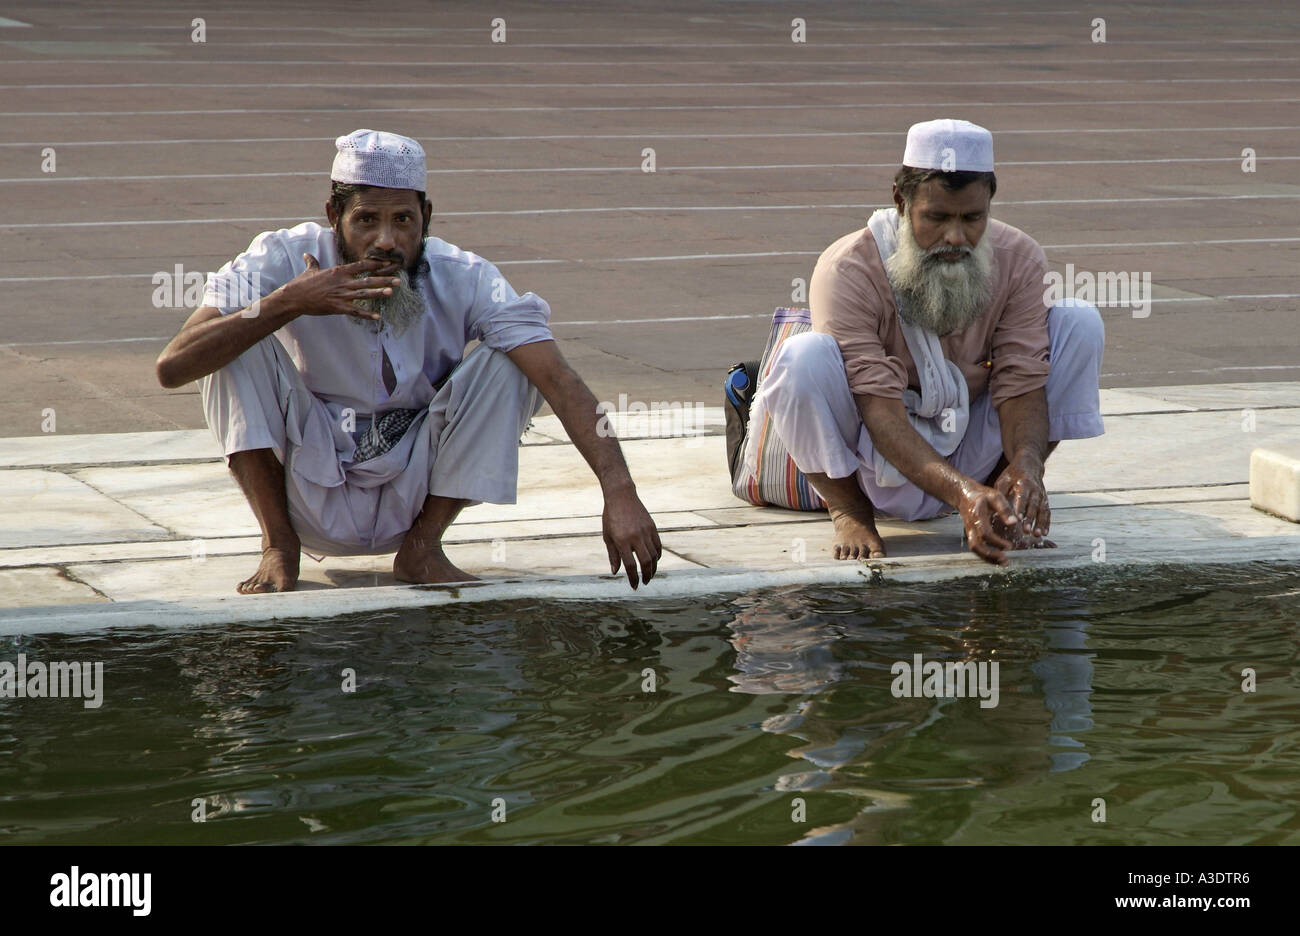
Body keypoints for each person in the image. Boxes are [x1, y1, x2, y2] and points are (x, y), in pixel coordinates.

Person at [155, 129, 661, 594]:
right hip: (306, 482)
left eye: (403, 221)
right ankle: (277, 547)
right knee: (230, 343)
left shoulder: (466, 275)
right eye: (366, 221)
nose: (386, 242)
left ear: (426, 219)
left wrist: (620, 492)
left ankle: (421, 550)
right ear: (334, 217)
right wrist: (287, 303)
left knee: (513, 360)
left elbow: (559, 377)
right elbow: (173, 366)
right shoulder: (280, 257)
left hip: (414, 486)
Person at [744, 118, 1105, 565]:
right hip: (874, 462)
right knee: (803, 357)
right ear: (901, 201)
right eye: (937, 218)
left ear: (990, 204)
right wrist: (959, 492)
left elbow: (1021, 377)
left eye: (972, 219)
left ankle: (999, 497)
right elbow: (876, 405)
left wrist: (1028, 463)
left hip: (972, 450)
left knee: (1078, 322)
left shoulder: (1019, 257)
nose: (956, 238)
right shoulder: (850, 267)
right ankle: (848, 510)